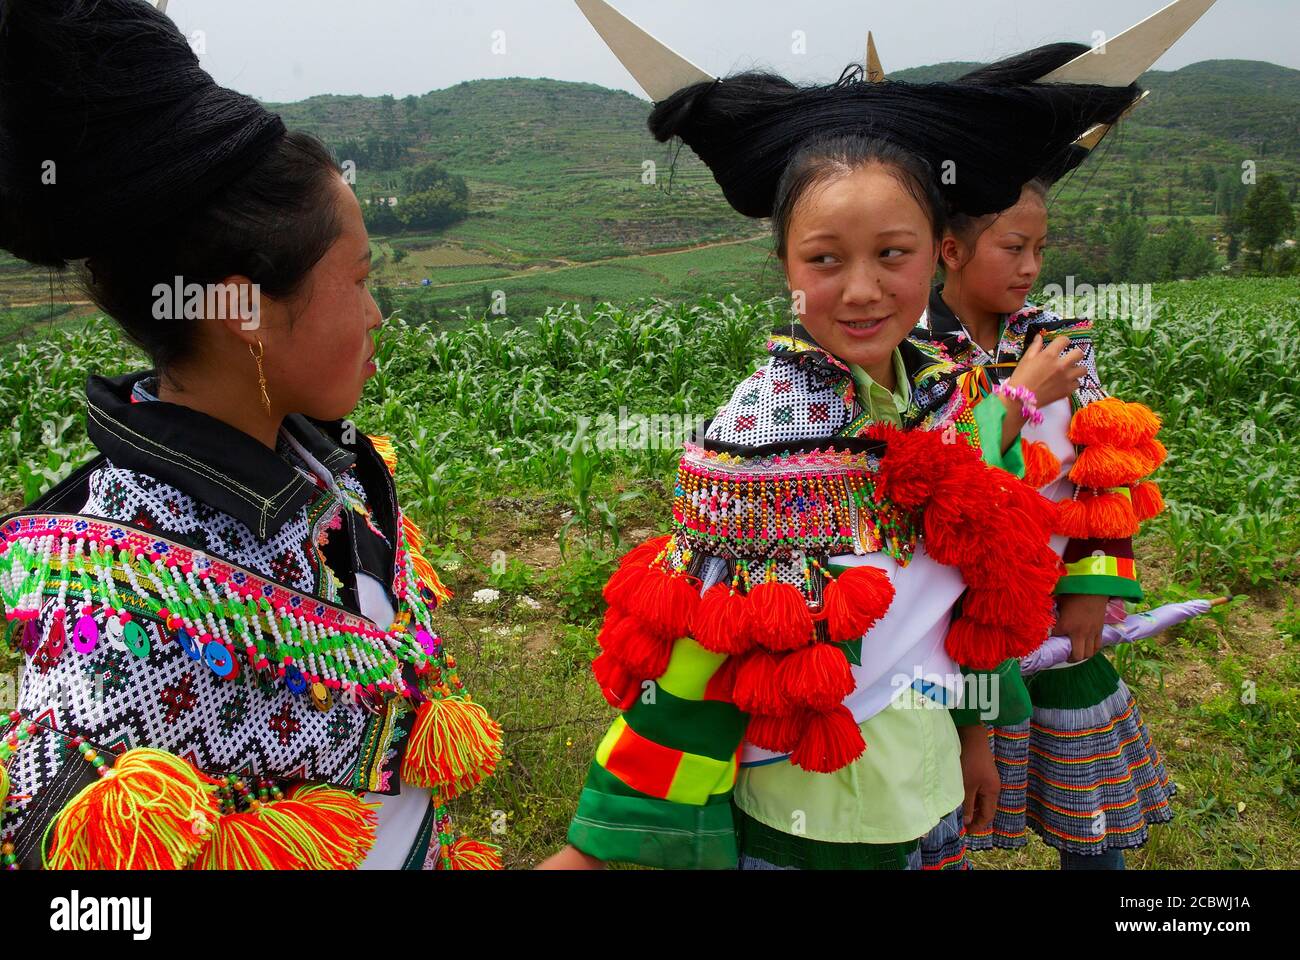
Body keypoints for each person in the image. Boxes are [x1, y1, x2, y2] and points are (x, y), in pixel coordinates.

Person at [539, 13, 1143, 868]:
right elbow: (700, 659)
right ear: (786, 264)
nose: (861, 290)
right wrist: (607, 841)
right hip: (808, 807)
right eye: (825, 260)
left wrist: (974, 732)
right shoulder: (763, 440)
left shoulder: (939, 393)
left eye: (891, 253)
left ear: (938, 254)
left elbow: (971, 590)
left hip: (922, 782)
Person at [0, 0, 500, 870]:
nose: (379, 313)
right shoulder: (105, 599)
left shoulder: (331, 471)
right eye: (358, 278)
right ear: (247, 311)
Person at [914, 169, 1171, 871]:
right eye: (1013, 248)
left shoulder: (1059, 343)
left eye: (1040, 250)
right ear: (952, 250)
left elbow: (1107, 462)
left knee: (1090, 806)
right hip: (952, 605)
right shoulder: (916, 354)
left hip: (1058, 601)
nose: (1030, 268)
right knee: (944, 782)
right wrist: (1018, 398)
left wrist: (1091, 583)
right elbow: (939, 477)